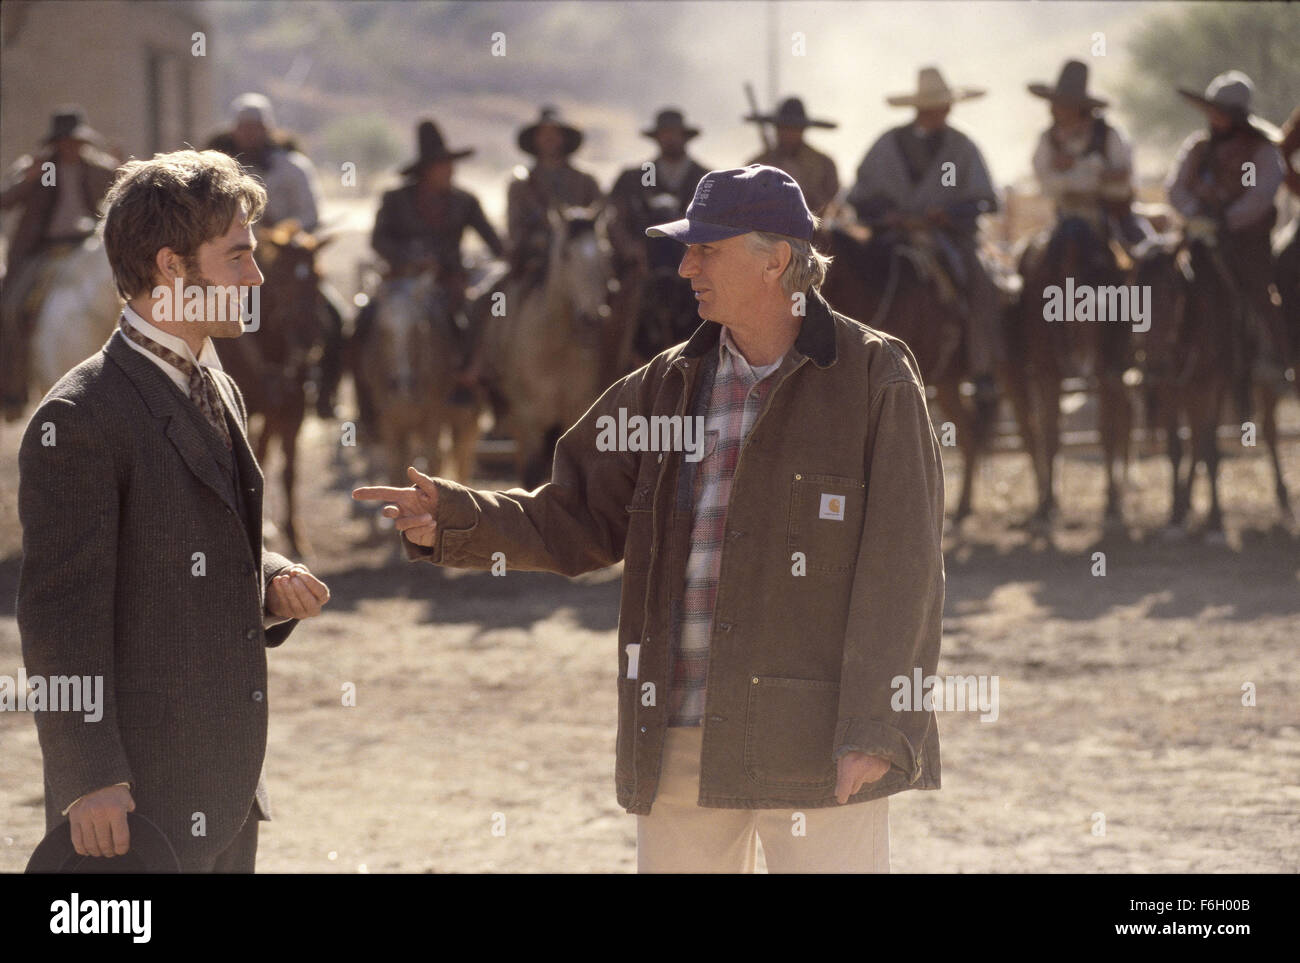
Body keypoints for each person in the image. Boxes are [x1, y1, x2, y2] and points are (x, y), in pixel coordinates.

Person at [354, 165, 944, 873]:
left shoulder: (875, 377)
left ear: (776, 260)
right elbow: (575, 515)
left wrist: (876, 725)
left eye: (706, 249)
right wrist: (457, 515)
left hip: (816, 737)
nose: (684, 265)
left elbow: (903, 563)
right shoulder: (666, 385)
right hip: (680, 732)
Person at [17, 149, 330, 873]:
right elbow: (60, 618)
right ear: (172, 267)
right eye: (239, 256)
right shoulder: (80, 416)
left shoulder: (220, 387)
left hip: (229, 793)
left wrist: (272, 577)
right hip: (133, 809)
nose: (256, 276)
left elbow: (200, 541)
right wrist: (90, 776)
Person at [847, 66, 1001, 404]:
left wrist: (949, 215)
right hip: (892, 238)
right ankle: (852, 364)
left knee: (981, 283)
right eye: (939, 106)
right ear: (922, 108)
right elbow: (859, 197)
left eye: (946, 105)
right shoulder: (886, 145)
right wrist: (887, 216)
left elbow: (986, 199)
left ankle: (982, 367)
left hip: (949, 239)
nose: (945, 111)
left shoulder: (962, 147)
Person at [207, 93, 345, 417]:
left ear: (268, 129)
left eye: (257, 127)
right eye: (245, 127)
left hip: (286, 262)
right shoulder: (215, 170)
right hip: (228, 263)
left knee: (335, 318)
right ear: (234, 130)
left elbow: (311, 215)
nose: (250, 133)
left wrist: (286, 233)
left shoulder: (293, 167)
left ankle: (324, 395)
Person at [354, 120, 503, 417]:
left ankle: (470, 382)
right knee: (365, 320)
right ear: (426, 169)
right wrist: (409, 258)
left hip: (449, 282)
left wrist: (511, 256)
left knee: (477, 318)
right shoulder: (395, 200)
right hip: (401, 281)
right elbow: (378, 239)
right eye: (443, 165)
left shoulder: (465, 201)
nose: (450, 170)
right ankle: (365, 394)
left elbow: (493, 240)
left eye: (451, 164)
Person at [1167, 70, 1287, 383]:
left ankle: (1274, 360)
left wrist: (1226, 221)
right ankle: (1165, 358)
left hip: (1245, 243)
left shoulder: (1262, 151)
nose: (1213, 118)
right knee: (1165, 282)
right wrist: (1196, 214)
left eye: (1219, 112)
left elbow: (1260, 197)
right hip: (1198, 238)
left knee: (1259, 294)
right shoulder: (1197, 148)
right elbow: (1176, 188)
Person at [0, 108, 118, 414]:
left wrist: (125, 167)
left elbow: (125, 190)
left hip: (86, 248)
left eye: (76, 141)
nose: (71, 147)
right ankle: (13, 390)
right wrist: (27, 180)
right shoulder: (37, 168)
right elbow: (5, 201)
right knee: (11, 307)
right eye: (65, 141)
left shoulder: (98, 167)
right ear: (56, 142)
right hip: (41, 251)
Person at [608, 108, 711, 359]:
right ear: (657, 137)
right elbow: (615, 221)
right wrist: (631, 249)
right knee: (617, 315)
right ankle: (615, 368)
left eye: (675, 134)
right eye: (665, 134)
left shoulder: (706, 178)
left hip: (695, 267)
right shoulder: (635, 177)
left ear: (685, 137)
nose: (670, 139)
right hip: (644, 269)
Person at [1029, 60, 1152, 262]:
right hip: (1067, 217)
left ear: (1077, 107)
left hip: (1114, 217)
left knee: (1147, 259)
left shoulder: (1108, 135)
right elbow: (1044, 181)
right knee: (1038, 264)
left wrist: (1078, 172)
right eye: (1054, 103)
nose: (1053, 109)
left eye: (1061, 104)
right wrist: (1089, 176)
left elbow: (1124, 178)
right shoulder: (1048, 139)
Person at [505, 105, 602, 285]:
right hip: (536, 265)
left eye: (555, 133)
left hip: (581, 261)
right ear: (535, 139)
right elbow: (515, 229)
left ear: (564, 139)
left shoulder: (586, 181)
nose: (549, 138)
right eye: (544, 133)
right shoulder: (521, 185)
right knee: (504, 297)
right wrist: (540, 242)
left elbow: (600, 219)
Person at [745, 97, 840, 218]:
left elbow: (832, 202)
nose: (788, 133)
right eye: (784, 127)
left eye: (794, 128)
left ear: (802, 130)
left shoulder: (824, 164)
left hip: (813, 228)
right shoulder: (756, 165)